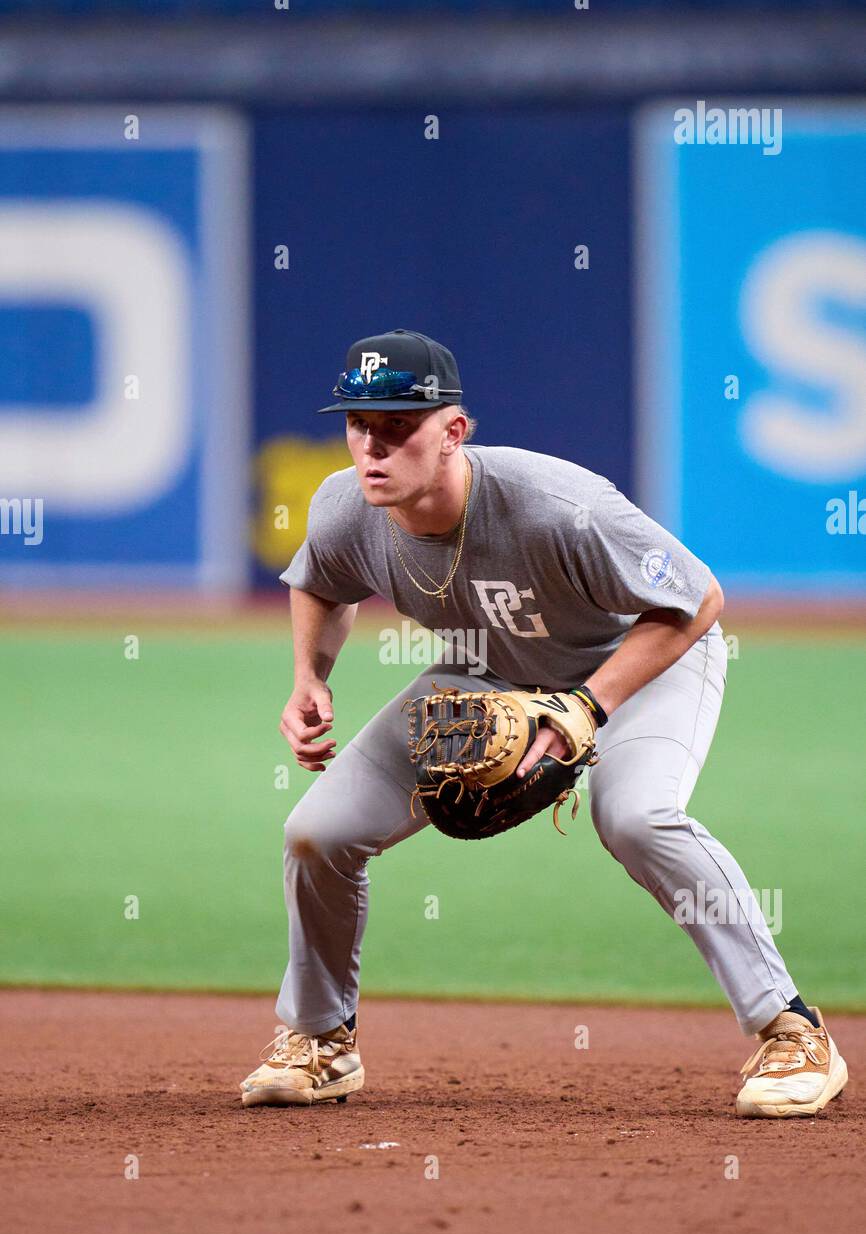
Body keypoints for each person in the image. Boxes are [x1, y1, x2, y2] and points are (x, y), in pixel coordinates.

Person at [240, 329, 848, 1119]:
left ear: (453, 431)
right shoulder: (346, 506)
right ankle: (320, 1041)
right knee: (317, 832)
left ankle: (793, 1031)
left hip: (641, 661)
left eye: (398, 426)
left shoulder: (558, 507)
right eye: (361, 423)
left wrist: (588, 706)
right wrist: (308, 679)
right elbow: (322, 580)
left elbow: (697, 600)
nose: (373, 446)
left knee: (634, 816)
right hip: (491, 670)